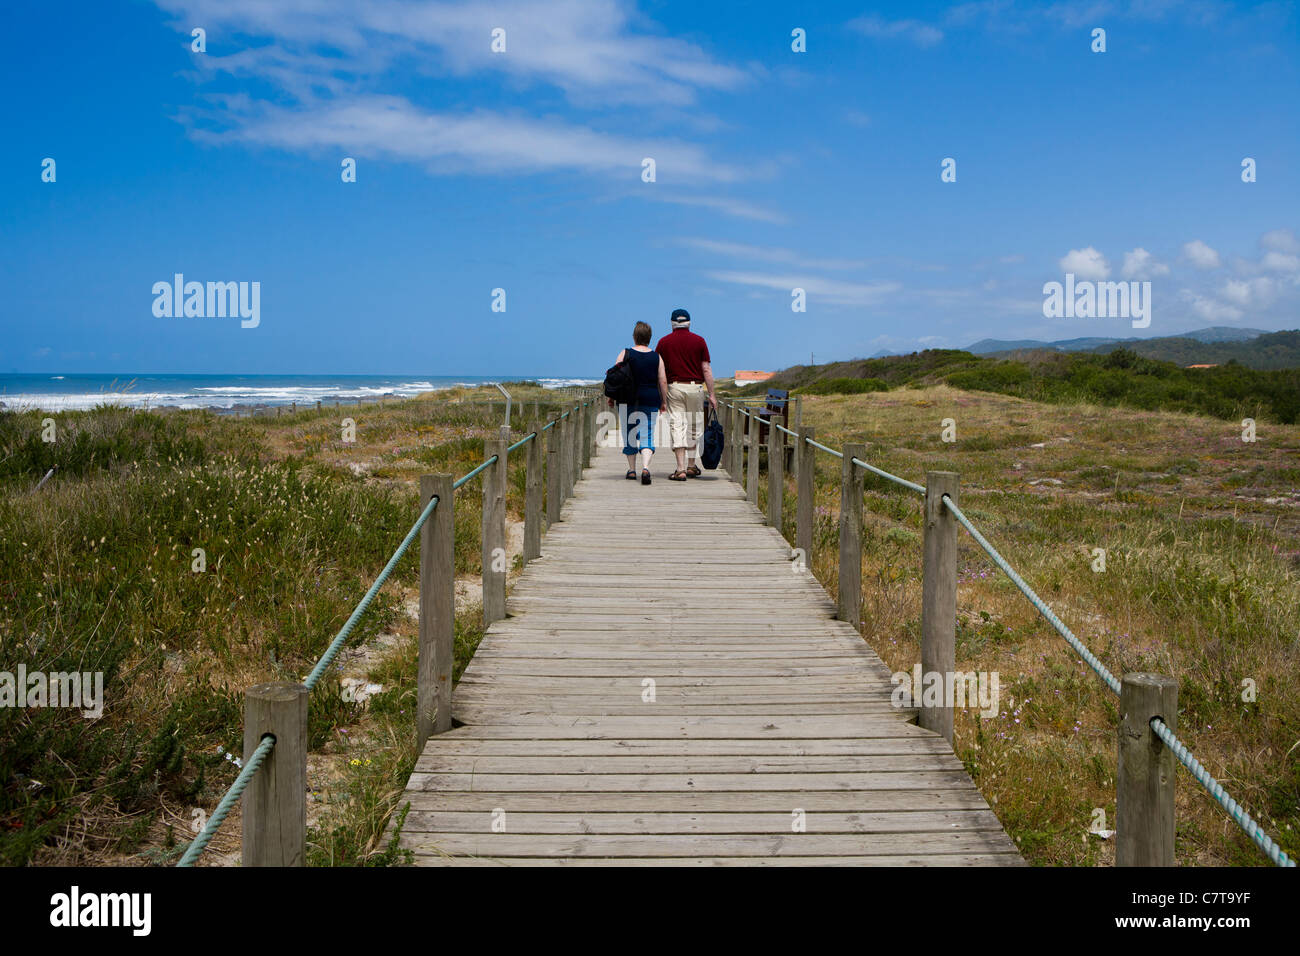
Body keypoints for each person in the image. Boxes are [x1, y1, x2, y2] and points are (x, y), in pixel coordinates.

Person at [655, 308, 717, 481]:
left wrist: (661, 396)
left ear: (672, 323)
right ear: (689, 322)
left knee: (677, 426)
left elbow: (659, 372)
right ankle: (691, 465)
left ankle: (680, 469)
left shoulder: (663, 342)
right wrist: (712, 394)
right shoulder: (700, 341)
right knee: (694, 427)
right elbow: (706, 369)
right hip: (695, 388)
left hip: (674, 388)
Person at [609, 321, 668, 485]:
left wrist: (611, 397)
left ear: (634, 336)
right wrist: (664, 401)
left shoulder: (625, 353)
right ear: (649, 338)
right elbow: (662, 381)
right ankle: (646, 467)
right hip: (650, 399)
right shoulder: (657, 357)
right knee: (647, 434)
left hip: (627, 400)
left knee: (629, 435)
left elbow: (615, 377)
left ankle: (632, 470)